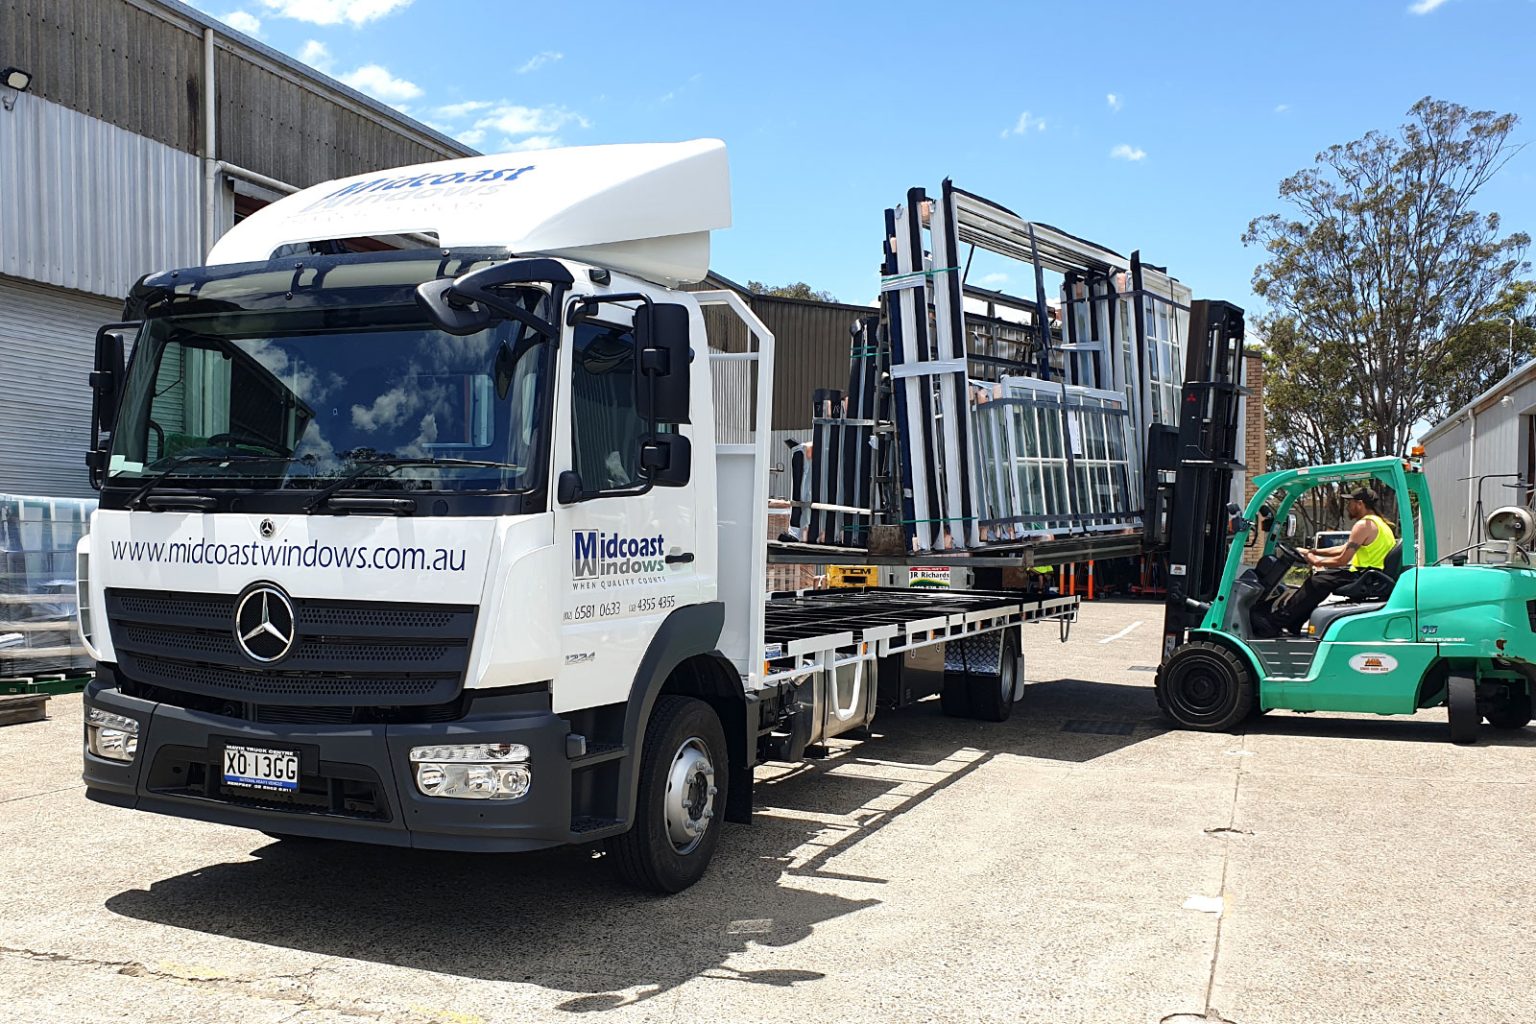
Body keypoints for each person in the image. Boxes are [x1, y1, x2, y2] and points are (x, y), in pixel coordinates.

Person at [1273, 488, 1397, 633]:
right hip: (1371, 575)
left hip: (1366, 576)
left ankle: (1280, 620)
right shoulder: (1380, 524)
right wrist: (1313, 551)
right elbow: (1343, 548)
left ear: (1359, 504)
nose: (1347, 507)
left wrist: (1316, 562)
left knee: (1317, 582)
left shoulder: (1364, 525)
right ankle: (1293, 623)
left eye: (1350, 503)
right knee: (1321, 580)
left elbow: (1343, 559)